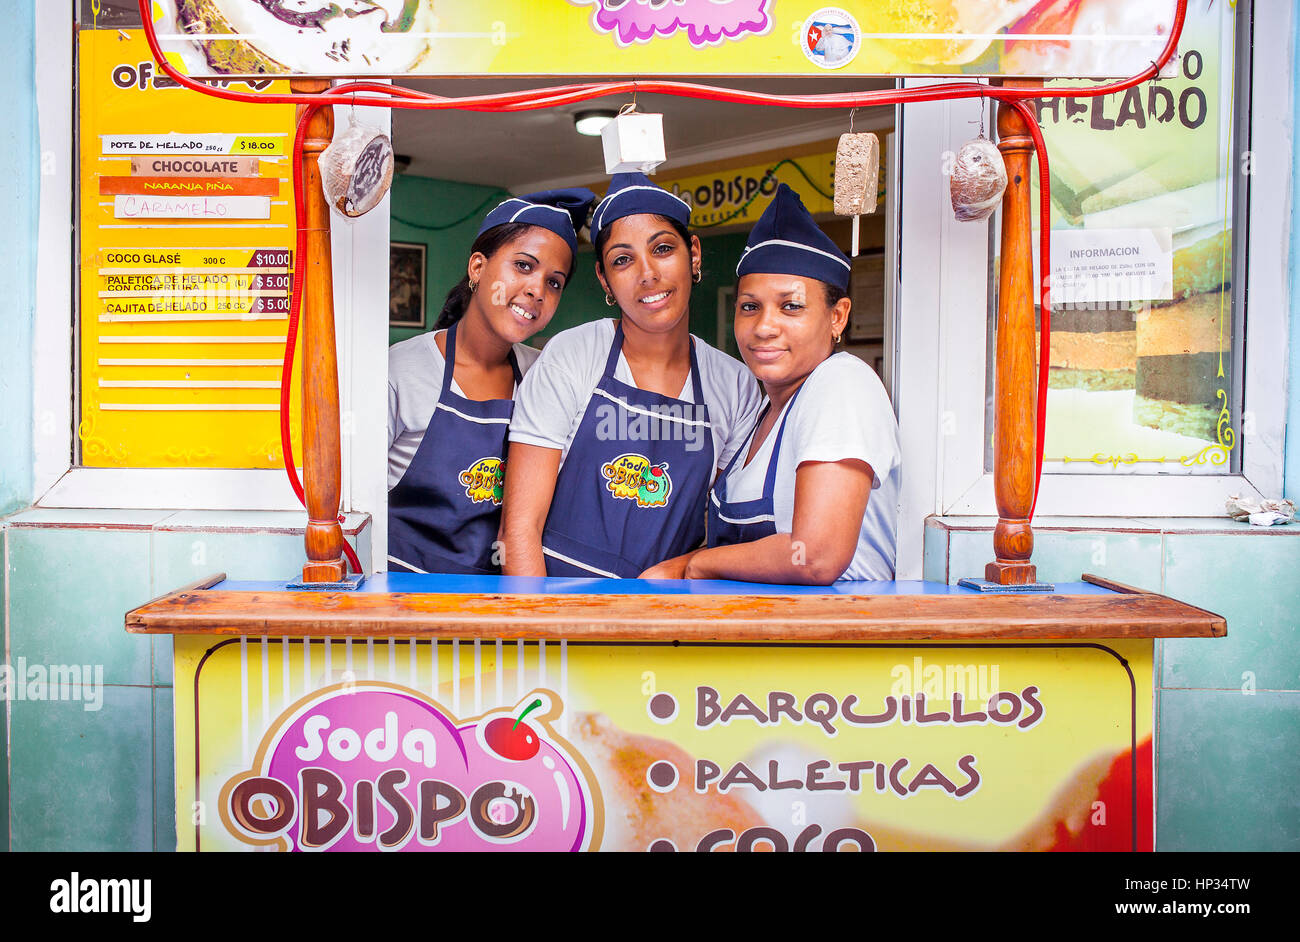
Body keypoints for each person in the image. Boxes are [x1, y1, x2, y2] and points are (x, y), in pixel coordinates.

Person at [501, 172, 763, 579]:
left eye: (662, 249)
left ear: (693, 255)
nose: (647, 273)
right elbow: (519, 530)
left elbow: (721, 531)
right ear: (605, 279)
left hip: (664, 618)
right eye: (623, 260)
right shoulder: (573, 355)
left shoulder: (735, 384)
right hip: (559, 612)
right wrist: (542, 633)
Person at [668, 183, 901, 584]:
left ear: (837, 316)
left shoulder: (841, 383)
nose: (764, 327)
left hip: (836, 636)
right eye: (750, 307)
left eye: (791, 306)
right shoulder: (763, 413)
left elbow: (815, 555)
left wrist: (698, 564)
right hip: (766, 634)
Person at [386, 187, 595, 575]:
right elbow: (350, 510)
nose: (537, 290)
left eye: (555, 282)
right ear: (478, 268)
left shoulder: (545, 376)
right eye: (523, 266)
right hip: (402, 603)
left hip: (497, 600)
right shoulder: (401, 371)